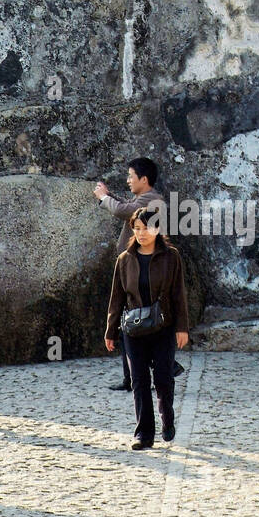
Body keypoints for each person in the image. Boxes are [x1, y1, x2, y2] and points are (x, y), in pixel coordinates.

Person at [104, 207, 190, 450]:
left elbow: (178, 295)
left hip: (163, 327)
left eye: (147, 228)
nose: (142, 233)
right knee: (139, 380)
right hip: (133, 329)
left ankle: (167, 419)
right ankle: (143, 433)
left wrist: (182, 327)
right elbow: (116, 298)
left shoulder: (171, 257)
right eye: (137, 228)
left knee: (163, 378)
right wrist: (110, 331)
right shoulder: (124, 260)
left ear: (158, 228)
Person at [94, 158, 165, 391]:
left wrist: (105, 198)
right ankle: (132, 377)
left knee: (141, 321)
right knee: (130, 322)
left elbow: (123, 210)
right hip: (134, 268)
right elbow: (126, 205)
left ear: (144, 179)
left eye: (131, 176)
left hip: (141, 269)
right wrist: (109, 195)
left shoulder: (152, 200)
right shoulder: (144, 199)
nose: (128, 180)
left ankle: (151, 372)